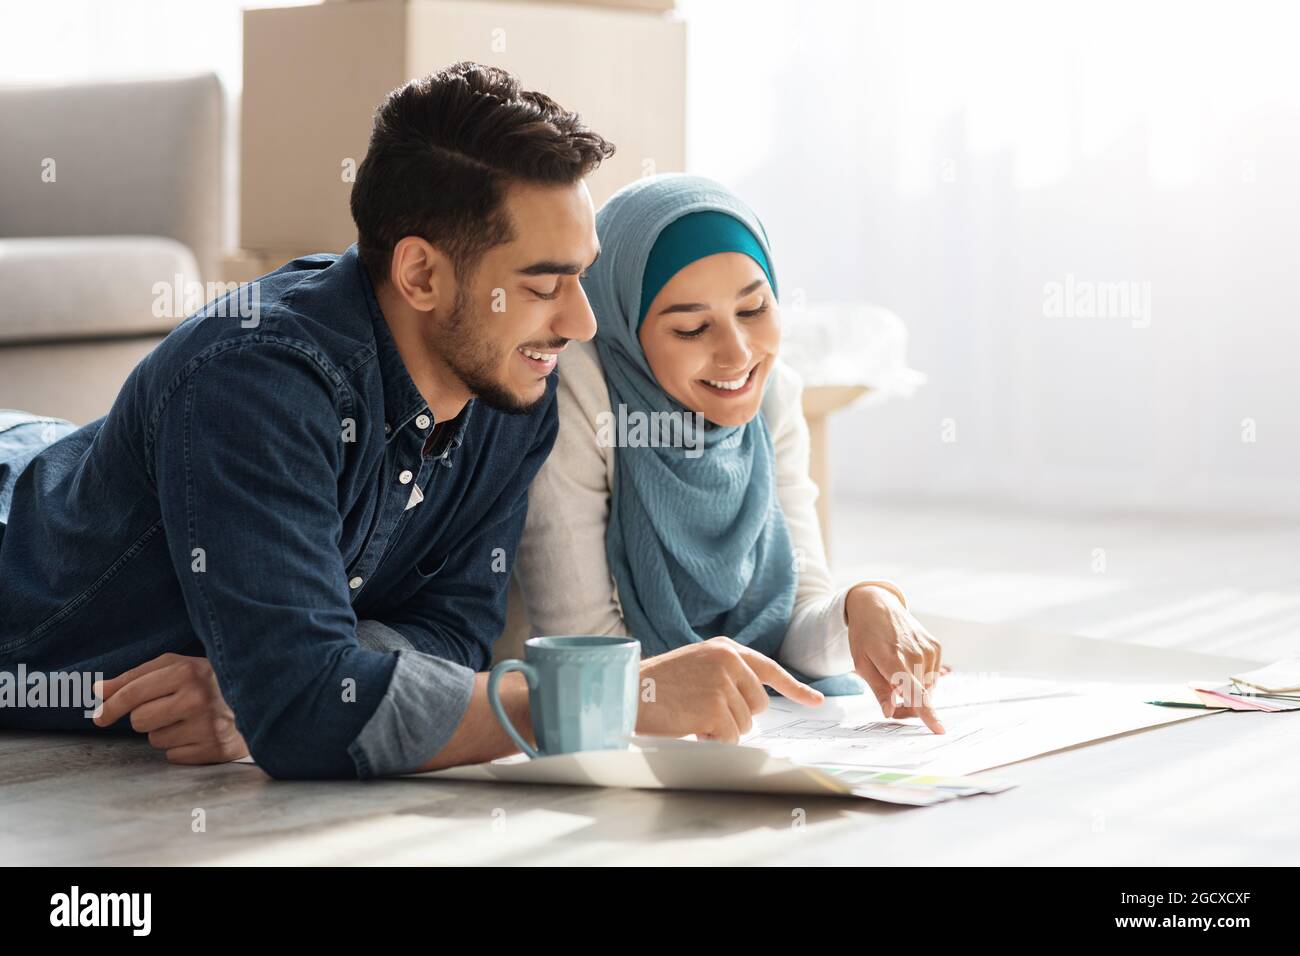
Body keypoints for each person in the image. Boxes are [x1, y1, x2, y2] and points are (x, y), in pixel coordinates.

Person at [0, 64, 820, 777]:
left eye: (582, 279)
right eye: (542, 286)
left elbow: (454, 637)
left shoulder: (509, 391)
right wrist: (615, 699)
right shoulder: (255, 379)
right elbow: (303, 716)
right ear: (421, 273)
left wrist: (280, 676)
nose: (582, 325)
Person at [509, 174, 947, 738]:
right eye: (692, 328)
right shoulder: (579, 397)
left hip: (753, 729)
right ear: (624, 327)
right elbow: (585, 649)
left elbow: (794, 615)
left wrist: (860, 609)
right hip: (597, 726)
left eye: (754, 309)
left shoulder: (777, 396)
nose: (737, 354)